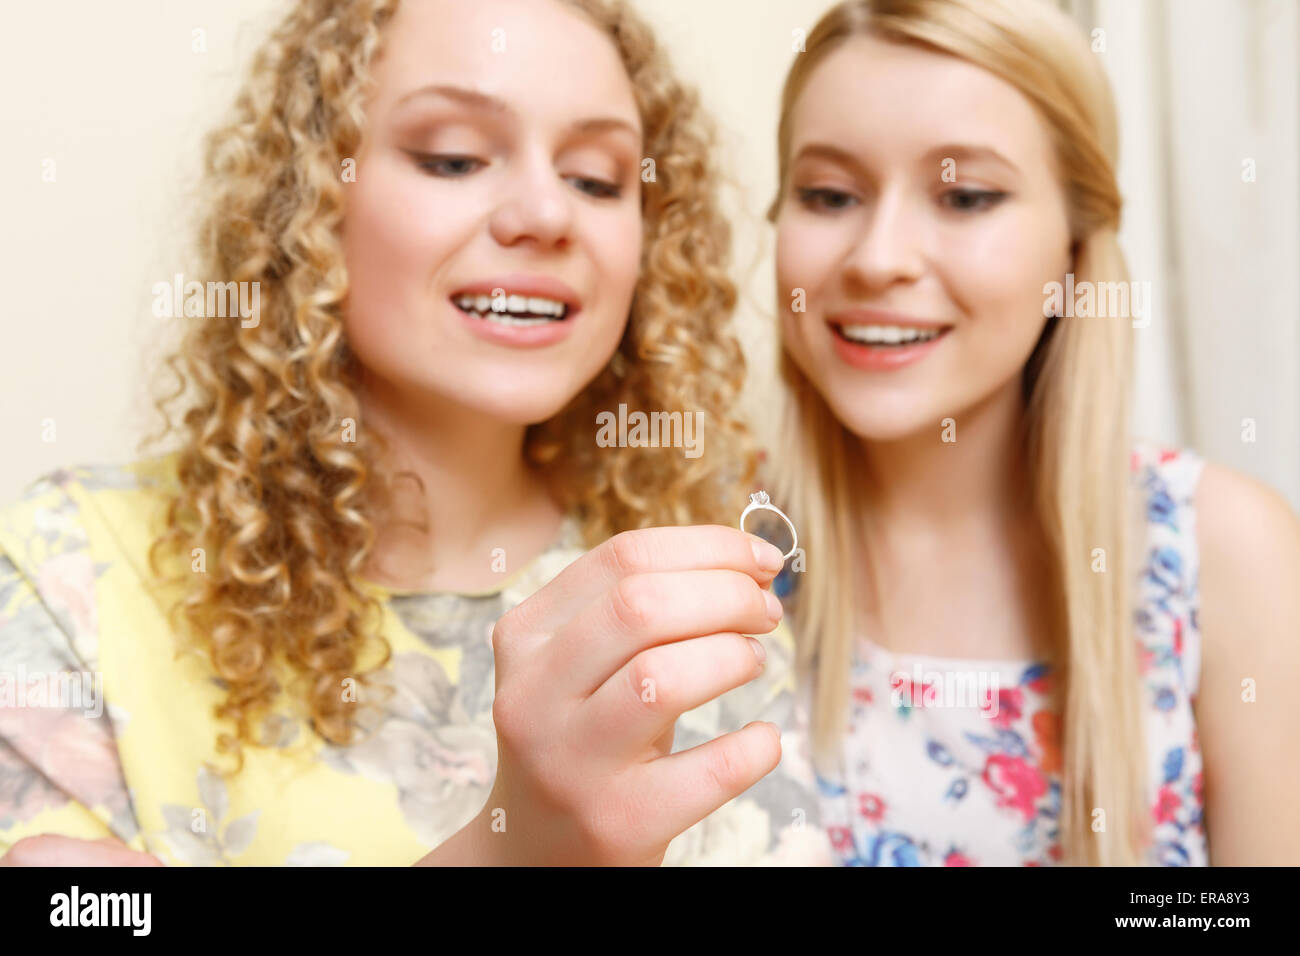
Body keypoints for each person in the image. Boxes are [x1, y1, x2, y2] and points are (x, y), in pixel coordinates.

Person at [0, 0, 829, 867]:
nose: (548, 214)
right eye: (454, 158)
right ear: (310, 203)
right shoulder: (70, 574)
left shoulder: (692, 590)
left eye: (596, 178)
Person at [764, 0, 1300, 865]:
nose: (876, 257)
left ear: (1073, 249)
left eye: (965, 195)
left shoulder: (1224, 554)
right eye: (828, 194)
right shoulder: (706, 547)